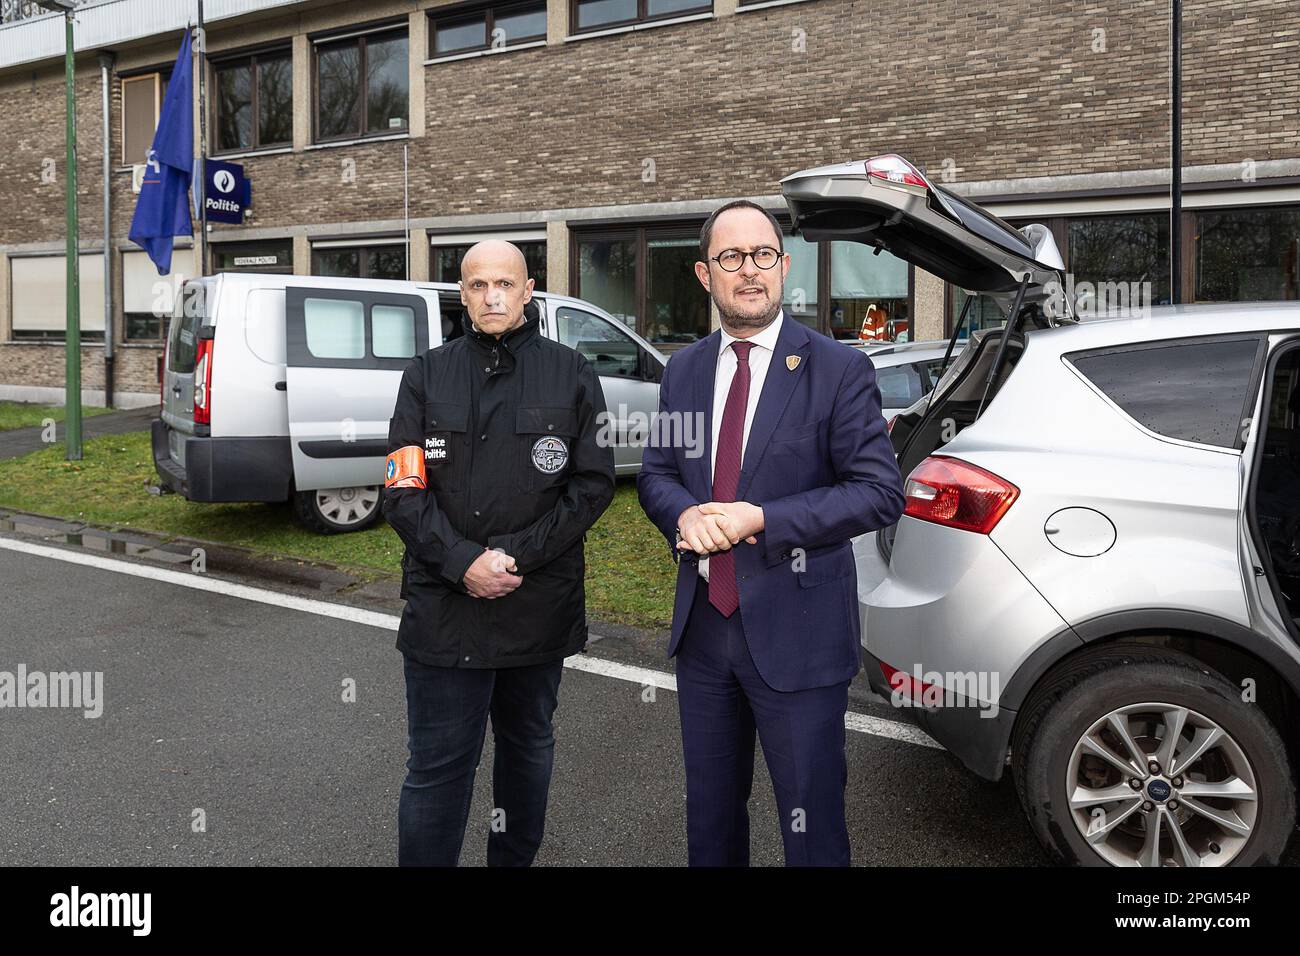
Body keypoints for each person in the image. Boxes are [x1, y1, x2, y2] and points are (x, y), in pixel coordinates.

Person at [638, 201, 905, 866]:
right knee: (711, 819)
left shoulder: (838, 369)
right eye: (731, 258)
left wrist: (762, 519)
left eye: (762, 256)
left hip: (800, 630)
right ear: (706, 274)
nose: (748, 270)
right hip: (704, 630)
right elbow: (657, 472)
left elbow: (877, 492)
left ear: (784, 268)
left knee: (810, 828)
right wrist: (682, 514)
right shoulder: (685, 370)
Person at [384, 240, 615, 866]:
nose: (492, 296)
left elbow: (592, 487)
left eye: (505, 284)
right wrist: (461, 562)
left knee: (527, 752)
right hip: (443, 610)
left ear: (528, 290)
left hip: (533, 606)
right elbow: (403, 489)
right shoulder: (425, 375)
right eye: (479, 285)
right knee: (436, 769)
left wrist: (512, 557)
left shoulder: (571, 373)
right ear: (462, 294)